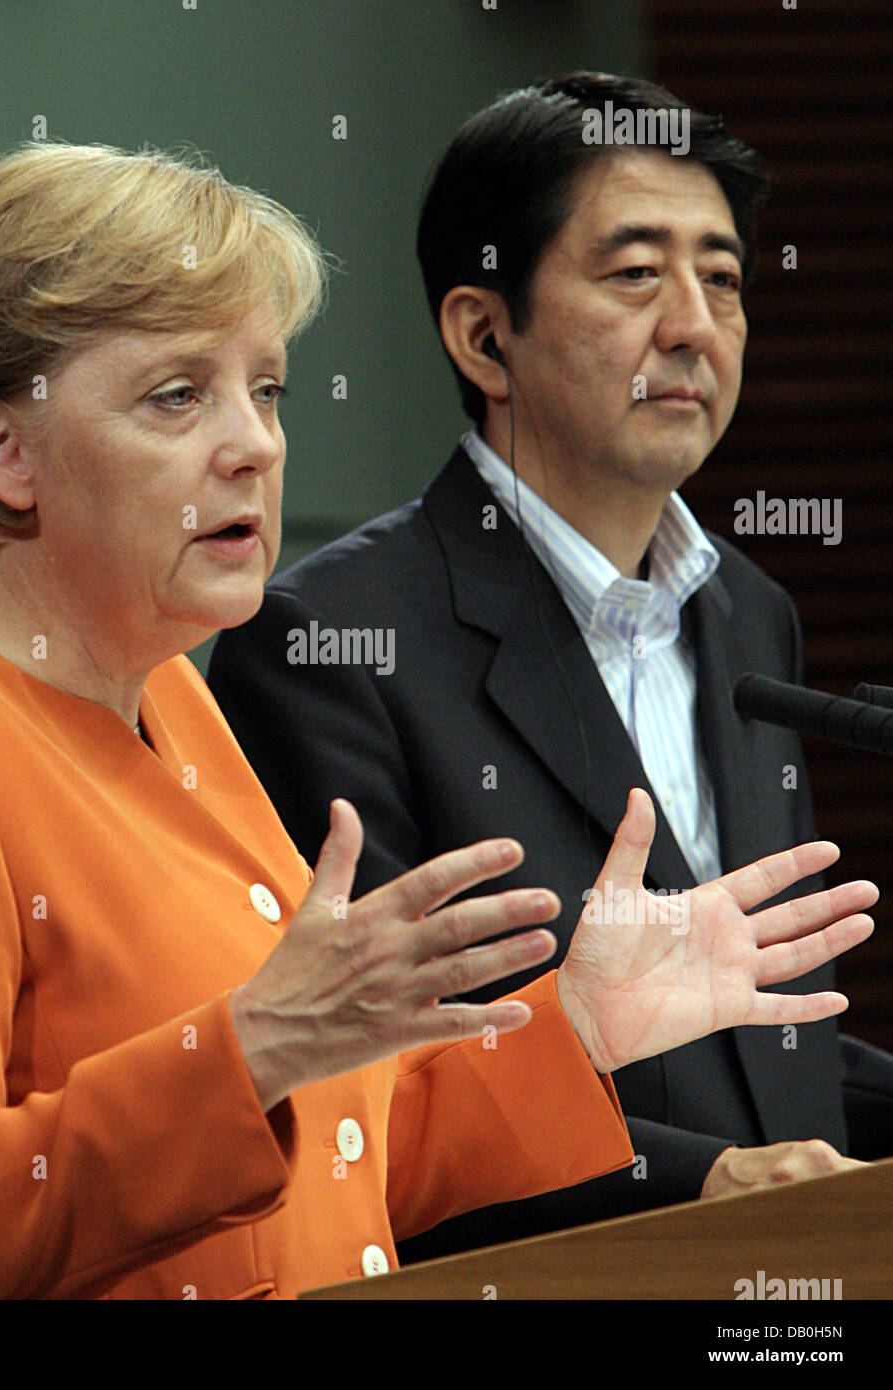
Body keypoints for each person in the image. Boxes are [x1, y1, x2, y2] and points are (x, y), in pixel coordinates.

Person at [0, 140, 876, 1304]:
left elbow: (345, 1146)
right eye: (176, 395)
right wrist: (247, 1047)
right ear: (0, 448)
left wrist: (575, 1024)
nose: (255, 443)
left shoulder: (168, 694)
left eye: (265, 389)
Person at [208, 73, 893, 1263]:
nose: (691, 324)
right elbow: (380, 1081)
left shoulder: (746, 612)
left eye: (721, 279)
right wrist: (707, 1187)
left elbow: (756, 1030)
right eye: (635, 274)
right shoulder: (324, 642)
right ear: (484, 333)